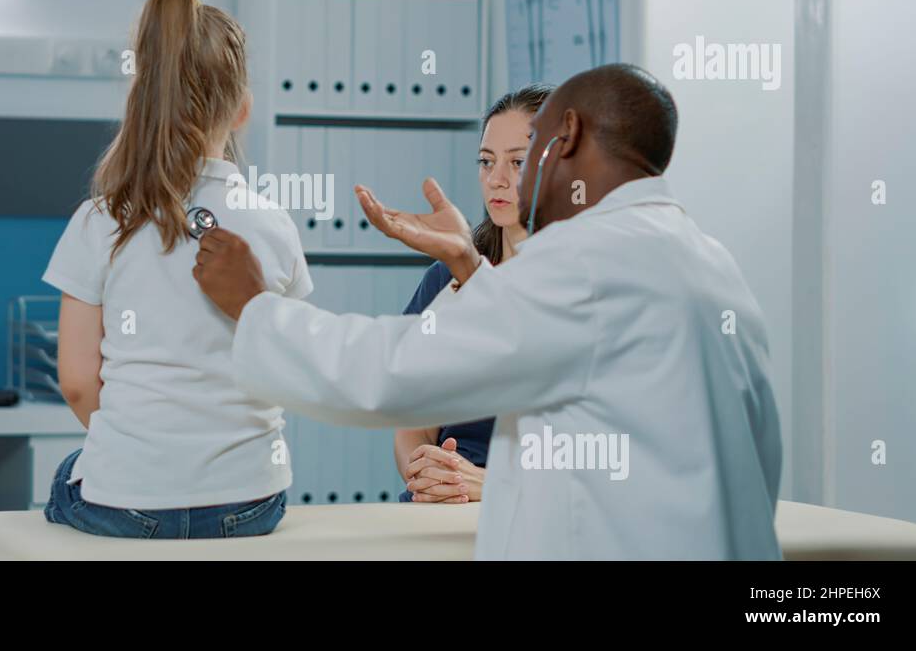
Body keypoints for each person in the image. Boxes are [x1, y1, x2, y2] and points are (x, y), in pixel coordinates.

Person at [191, 63, 783, 560]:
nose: (507, 182)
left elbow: (387, 372)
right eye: (488, 160)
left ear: (564, 137)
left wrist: (255, 306)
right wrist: (467, 263)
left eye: (525, 156)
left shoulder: (583, 262)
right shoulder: (709, 262)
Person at [40, 0, 311, 539]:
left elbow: (75, 382)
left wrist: (138, 453)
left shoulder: (99, 220)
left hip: (127, 501)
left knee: (68, 476)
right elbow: (293, 366)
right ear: (243, 109)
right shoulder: (274, 224)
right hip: (251, 501)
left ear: (142, 95)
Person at [396, 84, 552, 504]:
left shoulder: (583, 288)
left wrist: (493, 484)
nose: (496, 179)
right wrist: (427, 472)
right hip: (439, 505)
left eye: (517, 162)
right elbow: (412, 422)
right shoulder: (442, 280)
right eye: (486, 162)